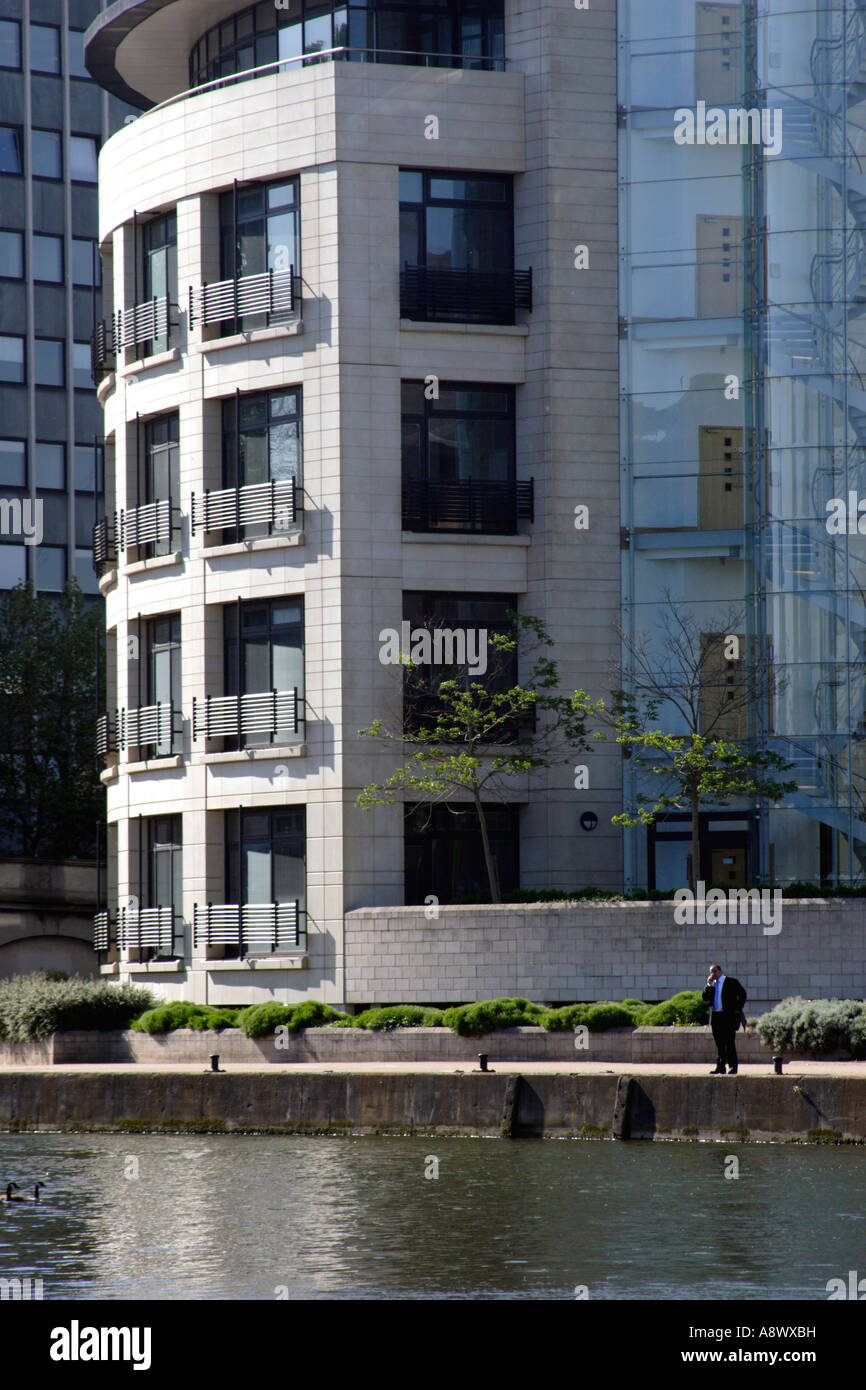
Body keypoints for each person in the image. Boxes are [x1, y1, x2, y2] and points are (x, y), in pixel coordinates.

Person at [702, 963, 747, 1075]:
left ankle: (733, 1066)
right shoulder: (713, 985)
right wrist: (708, 984)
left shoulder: (731, 982)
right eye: (711, 972)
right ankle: (720, 1067)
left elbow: (742, 994)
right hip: (716, 1017)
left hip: (728, 1017)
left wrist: (737, 1008)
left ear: (720, 971)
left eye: (715, 971)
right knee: (719, 1044)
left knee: (729, 1043)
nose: (713, 974)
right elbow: (705, 998)